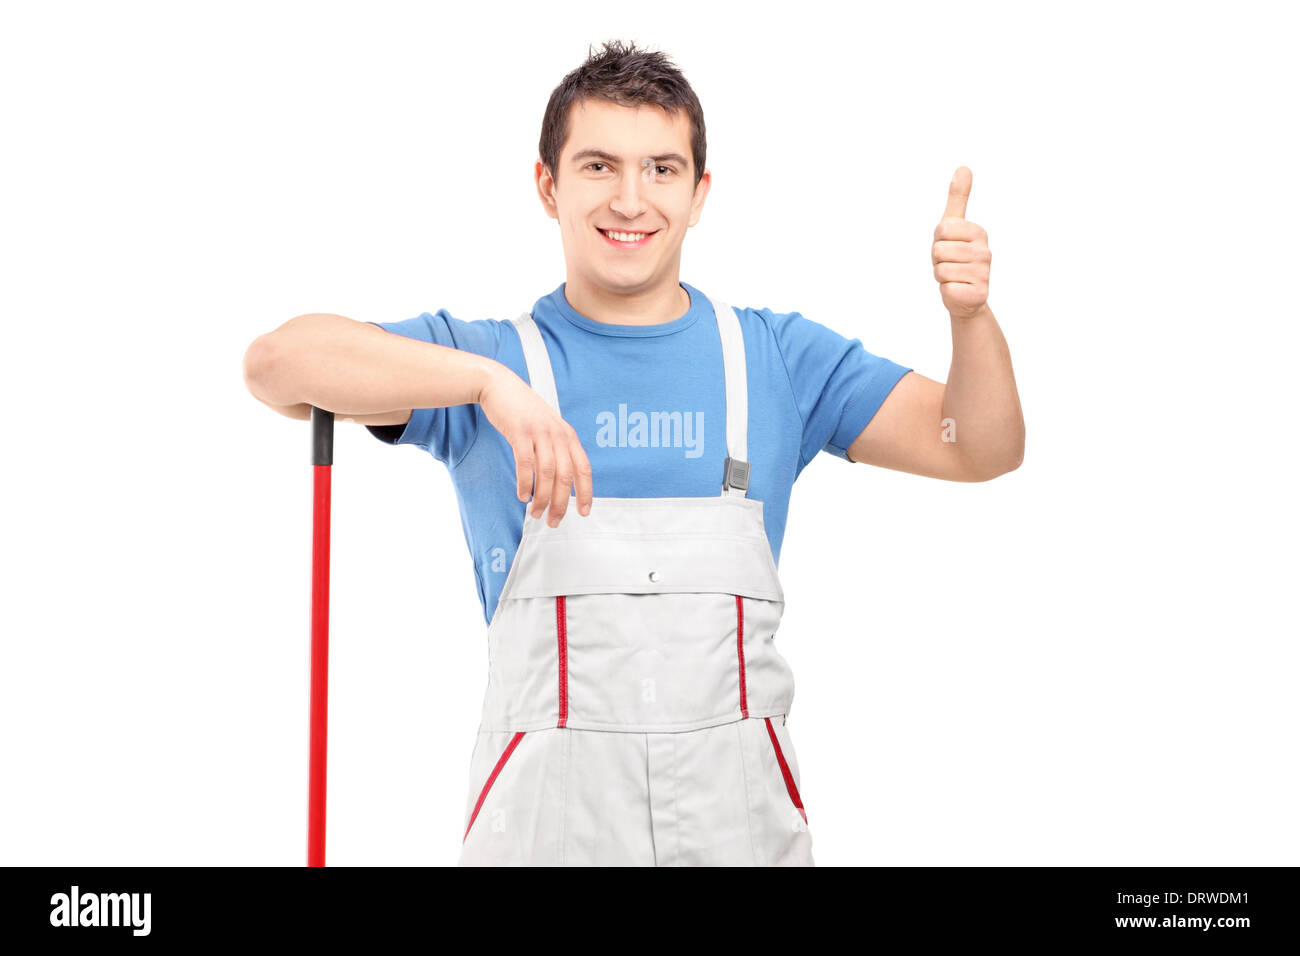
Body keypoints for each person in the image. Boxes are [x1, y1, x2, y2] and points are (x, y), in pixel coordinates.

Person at [242, 39, 1024, 866]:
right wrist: (486, 387)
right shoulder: (484, 362)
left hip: (741, 837)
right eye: (597, 166)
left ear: (699, 193)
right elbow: (279, 364)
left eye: (660, 168)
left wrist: (971, 320)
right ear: (548, 186)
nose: (629, 199)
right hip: (541, 838)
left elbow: (980, 447)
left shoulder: (775, 360)